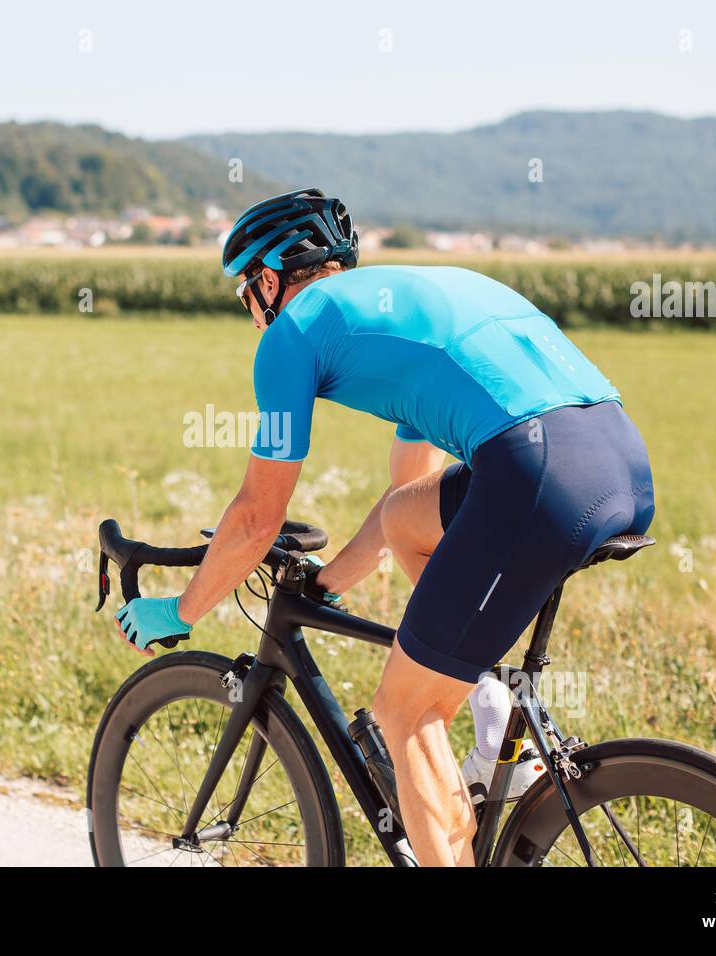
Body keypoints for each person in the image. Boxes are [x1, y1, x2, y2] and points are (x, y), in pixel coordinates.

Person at [113, 188, 654, 866]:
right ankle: (492, 705)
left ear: (271, 279)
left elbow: (256, 516)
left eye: (245, 290)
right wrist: (328, 582)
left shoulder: (292, 334)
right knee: (408, 523)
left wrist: (182, 608)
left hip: (536, 472)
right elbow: (408, 499)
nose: (247, 309)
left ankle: (467, 714)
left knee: (404, 713)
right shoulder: (411, 302)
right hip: (619, 459)